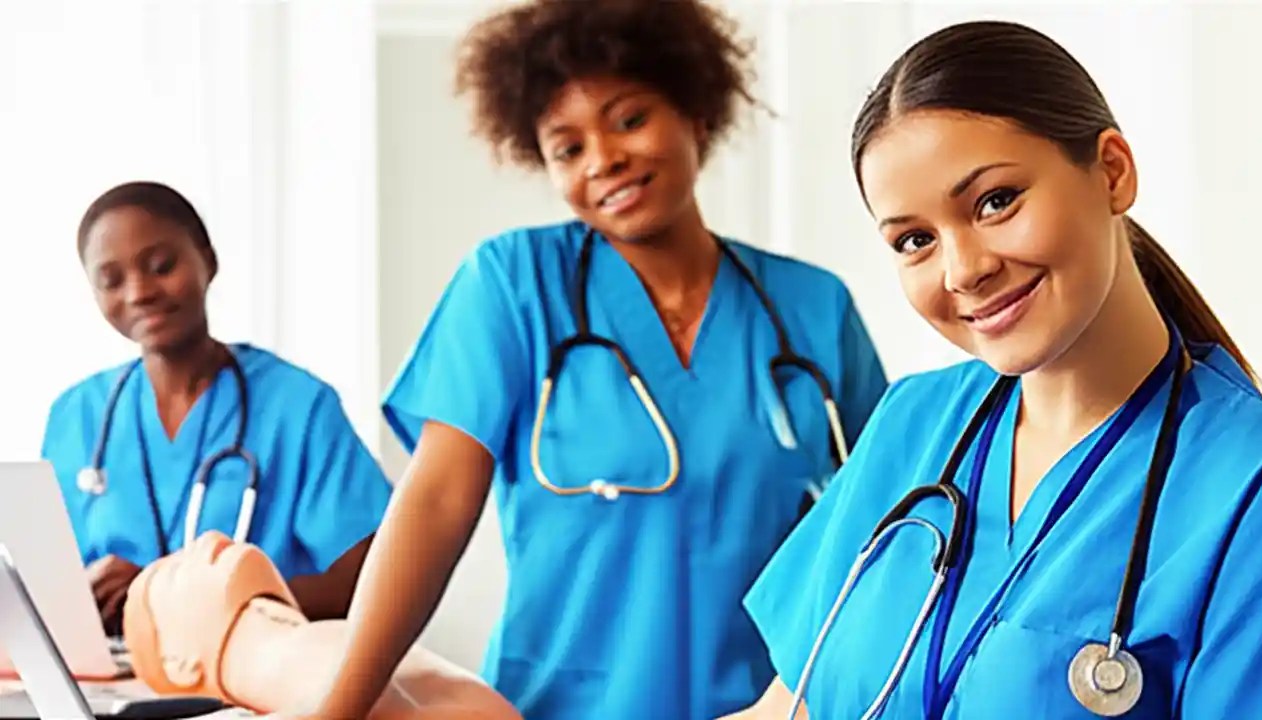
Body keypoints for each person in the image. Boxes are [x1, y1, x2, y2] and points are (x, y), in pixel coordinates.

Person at [305, 1, 888, 718]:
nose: (603, 159)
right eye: (566, 148)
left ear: (697, 115)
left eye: (629, 119)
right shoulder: (513, 284)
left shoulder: (811, 309)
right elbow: (433, 506)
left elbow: (886, 527)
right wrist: (336, 710)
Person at [729, 19, 1262, 720]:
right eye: (915, 240)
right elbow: (787, 710)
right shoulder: (913, 423)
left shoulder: (1254, 489)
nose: (964, 270)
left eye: (995, 201)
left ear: (1113, 171)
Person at [40, 181, 392, 633]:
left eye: (161, 265)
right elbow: (44, 586)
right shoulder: (77, 414)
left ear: (207, 259)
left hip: (257, 683)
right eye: (112, 280)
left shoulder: (297, 406)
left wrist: (176, 598)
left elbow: (370, 580)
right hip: (106, 688)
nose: (139, 291)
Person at [119, 530, 520, 720]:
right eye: (174, 572)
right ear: (180, 662)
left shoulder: (334, 637)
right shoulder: (282, 670)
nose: (209, 537)